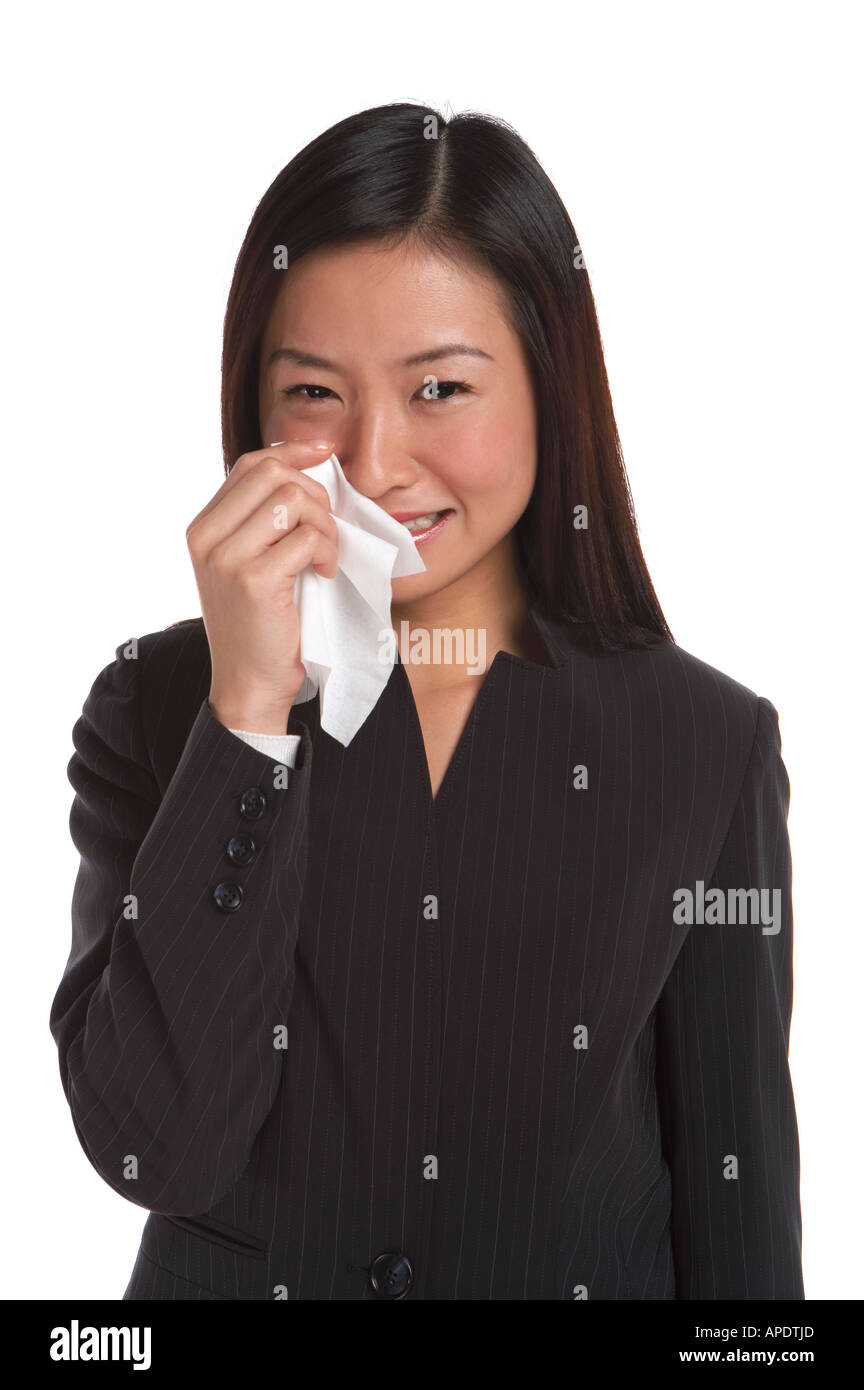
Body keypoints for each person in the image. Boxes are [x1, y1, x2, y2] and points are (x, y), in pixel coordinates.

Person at [49, 101, 804, 1300]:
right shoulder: (155, 706)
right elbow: (160, 1147)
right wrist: (247, 710)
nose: (376, 462)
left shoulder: (705, 741)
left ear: (550, 390)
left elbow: (738, 1205)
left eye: (441, 388)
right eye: (312, 394)